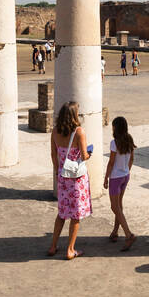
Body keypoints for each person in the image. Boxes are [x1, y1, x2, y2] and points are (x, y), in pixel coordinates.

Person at [49, 101, 92, 259]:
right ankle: (70, 249)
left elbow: (54, 155)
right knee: (75, 215)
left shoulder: (54, 131)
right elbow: (84, 155)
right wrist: (88, 153)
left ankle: (53, 246)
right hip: (76, 179)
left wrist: (57, 171)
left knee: (62, 213)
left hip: (62, 175)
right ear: (74, 115)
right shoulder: (79, 132)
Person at [104, 116, 138, 250]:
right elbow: (132, 159)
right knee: (119, 205)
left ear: (115, 128)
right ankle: (115, 232)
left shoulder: (114, 143)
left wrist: (106, 177)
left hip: (115, 178)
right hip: (125, 176)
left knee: (114, 207)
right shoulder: (129, 140)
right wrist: (126, 171)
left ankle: (128, 234)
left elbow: (111, 162)